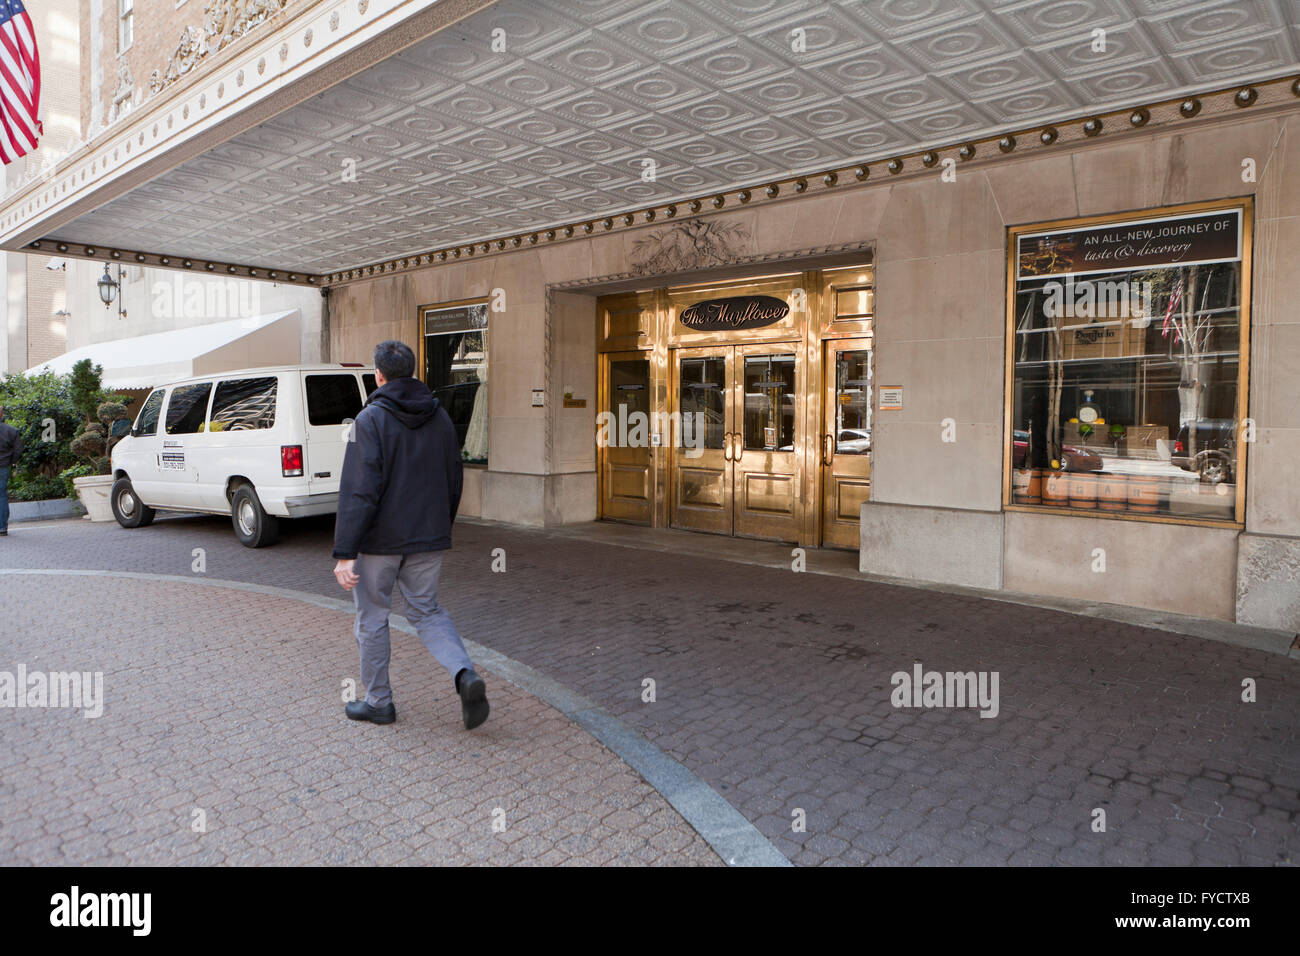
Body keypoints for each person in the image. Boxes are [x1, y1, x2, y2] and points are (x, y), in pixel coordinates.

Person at [332, 341, 489, 730]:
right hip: (427, 536)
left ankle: (379, 703)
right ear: (413, 372)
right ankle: (464, 674)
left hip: (379, 543)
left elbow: (359, 490)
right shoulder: (440, 419)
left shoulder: (369, 421)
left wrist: (345, 551)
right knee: (427, 611)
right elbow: (455, 479)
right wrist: (440, 528)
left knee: (372, 616)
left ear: (378, 376)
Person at [0, 406, 23, 537]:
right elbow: (18, 450)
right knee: (2, 495)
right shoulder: (12, 430)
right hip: (3, 466)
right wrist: (11, 461)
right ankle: (2, 527)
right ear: (2, 415)